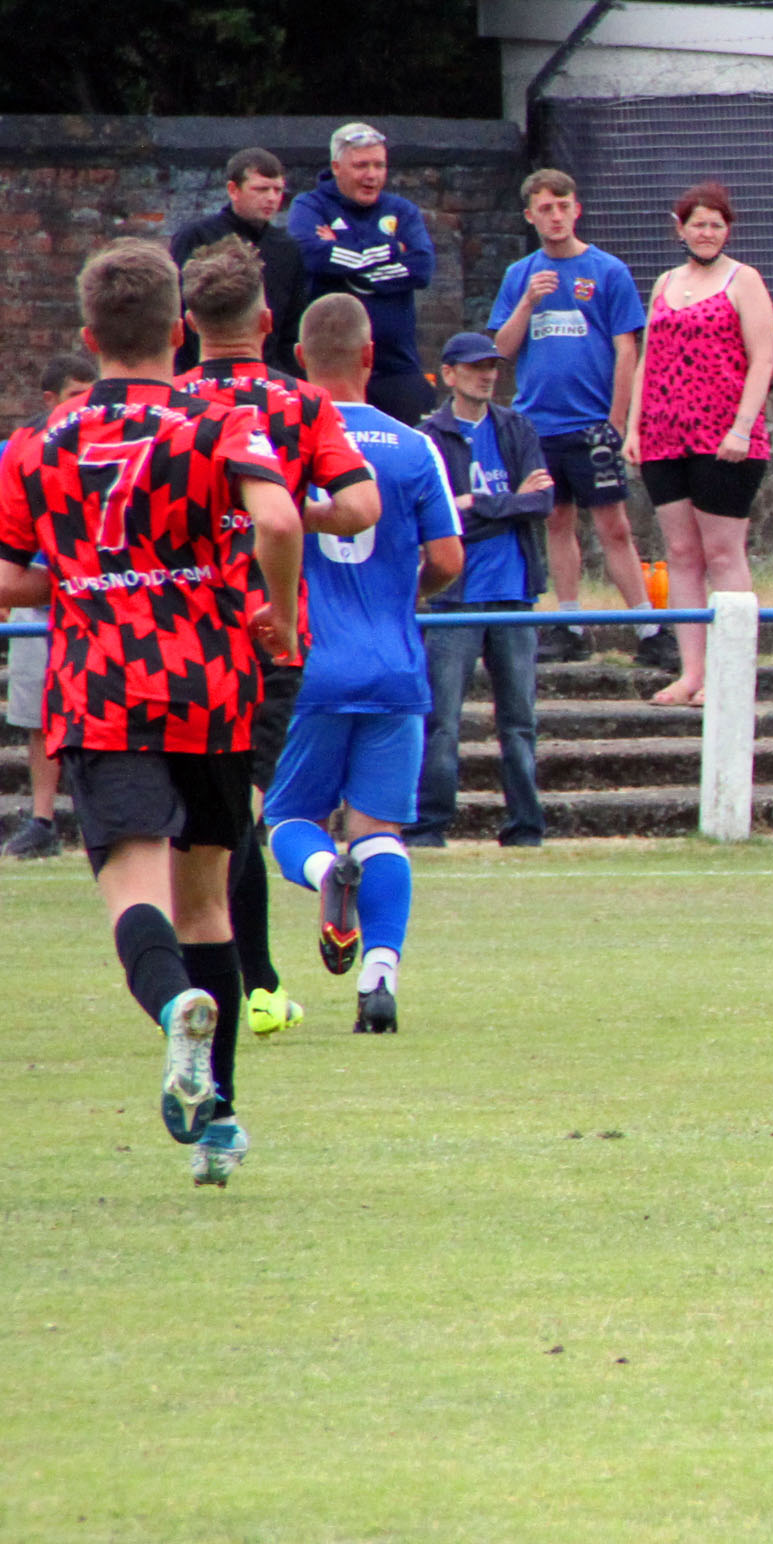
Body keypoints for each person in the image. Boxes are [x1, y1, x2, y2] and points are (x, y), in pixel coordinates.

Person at [0, 239, 302, 1187]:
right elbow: (280, 520)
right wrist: (279, 613)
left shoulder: (43, 442)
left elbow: (1, 580)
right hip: (213, 683)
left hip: (106, 686)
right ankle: (218, 1127)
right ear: (178, 331)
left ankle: (172, 1013)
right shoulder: (217, 420)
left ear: (88, 336)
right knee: (209, 901)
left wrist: (85, 572)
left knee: (136, 893)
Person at [174, 240, 382, 1039]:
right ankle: (253, 986)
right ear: (266, 321)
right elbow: (361, 508)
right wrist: (295, 510)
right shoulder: (301, 406)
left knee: (186, 824)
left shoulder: (171, 405)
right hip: (267, 632)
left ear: (188, 324)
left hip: (171, 632)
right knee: (240, 817)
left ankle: (204, 978)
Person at [261, 295, 462, 1035]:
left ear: (301, 360)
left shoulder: (278, 444)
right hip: (394, 666)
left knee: (286, 817)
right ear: (371, 357)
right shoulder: (415, 448)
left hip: (306, 665)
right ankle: (379, 977)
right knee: (381, 831)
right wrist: (396, 597)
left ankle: (324, 874)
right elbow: (447, 558)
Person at [489, 169, 667, 674]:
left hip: (591, 423)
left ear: (577, 209)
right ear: (530, 216)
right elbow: (499, 351)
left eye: (564, 206)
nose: (556, 216)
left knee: (614, 525)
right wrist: (527, 302)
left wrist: (616, 420)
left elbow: (626, 347)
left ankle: (651, 629)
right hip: (537, 424)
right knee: (556, 520)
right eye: (545, 209)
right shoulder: (520, 275)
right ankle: (569, 625)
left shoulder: (607, 271)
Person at [627, 183, 773, 708]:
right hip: (666, 434)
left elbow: (763, 358)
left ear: (727, 230)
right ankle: (691, 672)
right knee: (683, 554)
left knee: (722, 550)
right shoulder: (665, 283)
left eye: (716, 224)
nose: (707, 232)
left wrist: (741, 426)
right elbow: (650, 358)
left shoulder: (745, 280)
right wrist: (633, 425)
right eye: (698, 223)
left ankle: (731, 672)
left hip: (724, 439)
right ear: (681, 228)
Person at [415, 331, 553, 849]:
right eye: (475, 367)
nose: (488, 375)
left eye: (492, 366)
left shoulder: (517, 427)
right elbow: (440, 518)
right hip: (455, 596)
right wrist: (500, 504)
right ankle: (429, 826)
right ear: (449, 374)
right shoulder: (429, 436)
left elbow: (541, 503)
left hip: (514, 593)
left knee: (519, 721)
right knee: (442, 720)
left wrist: (481, 505)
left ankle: (525, 826)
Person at [0, 355, 95, 860]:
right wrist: (3, 586)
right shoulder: (19, 449)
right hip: (42, 598)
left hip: (98, 604)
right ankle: (42, 817)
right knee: (37, 714)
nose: (86, 405)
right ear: (50, 399)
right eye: (76, 394)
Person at [286, 122, 438, 423]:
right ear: (336, 167)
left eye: (379, 165)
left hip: (395, 367)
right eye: (361, 166)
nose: (372, 175)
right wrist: (393, 250)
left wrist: (344, 254)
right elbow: (311, 255)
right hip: (332, 369)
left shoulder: (402, 210)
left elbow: (421, 268)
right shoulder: (310, 205)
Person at [170, 148, 308, 373]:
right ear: (233, 190)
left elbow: (292, 326)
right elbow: (178, 312)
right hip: (201, 371)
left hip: (269, 376)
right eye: (261, 189)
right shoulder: (196, 238)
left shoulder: (288, 248)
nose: (272, 198)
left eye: (278, 190)